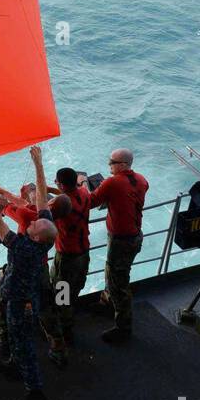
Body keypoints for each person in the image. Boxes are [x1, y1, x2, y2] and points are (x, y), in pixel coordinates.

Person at [0, 147, 58, 400]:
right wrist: (39, 164)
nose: (31, 223)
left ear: (35, 237)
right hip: (26, 297)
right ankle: (12, 362)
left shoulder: (23, 249)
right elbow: (43, 201)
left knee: (25, 345)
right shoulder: (44, 240)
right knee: (17, 338)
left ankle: (35, 390)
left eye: (33, 226)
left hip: (19, 304)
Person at [89, 148, 149, 343]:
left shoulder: (112, 182)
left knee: (119, 284)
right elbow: (126, 196)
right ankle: (107, 303)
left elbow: (91, 201)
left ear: (123, 164)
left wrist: (83, 184)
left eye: (112, 162)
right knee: (114, 273)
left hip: (120, 240)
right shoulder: (141, 180)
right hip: (134, 235)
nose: (109, 165)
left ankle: (123, 327)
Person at [46, 166, 93, 354]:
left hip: (66, 260)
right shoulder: (84, 193)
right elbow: (69, 193)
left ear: (61, 183)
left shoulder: (59, 208)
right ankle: (68, 320)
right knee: (73, 292)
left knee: (61, 297)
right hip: (83, 255)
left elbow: (41, 210)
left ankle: (64, 331)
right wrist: (52, 189)